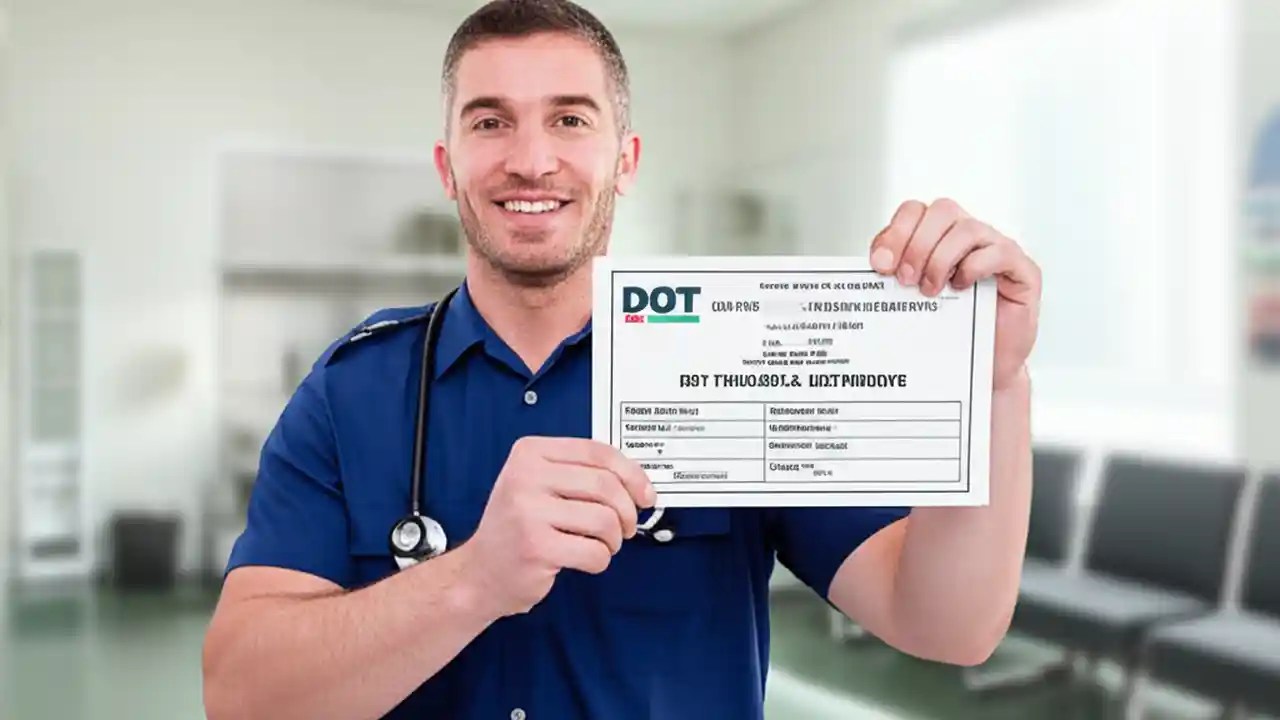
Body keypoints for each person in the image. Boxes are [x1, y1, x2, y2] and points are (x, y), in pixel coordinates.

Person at [201, 1, 1042, 718]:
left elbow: (949, 624)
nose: (532, 160)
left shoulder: (741, 364)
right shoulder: (351, 391)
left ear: (625, 160)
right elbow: (241, 694)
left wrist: (995, 384)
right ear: (448, 168)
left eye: (570, 119)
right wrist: (474, 580)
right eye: (490, 121)